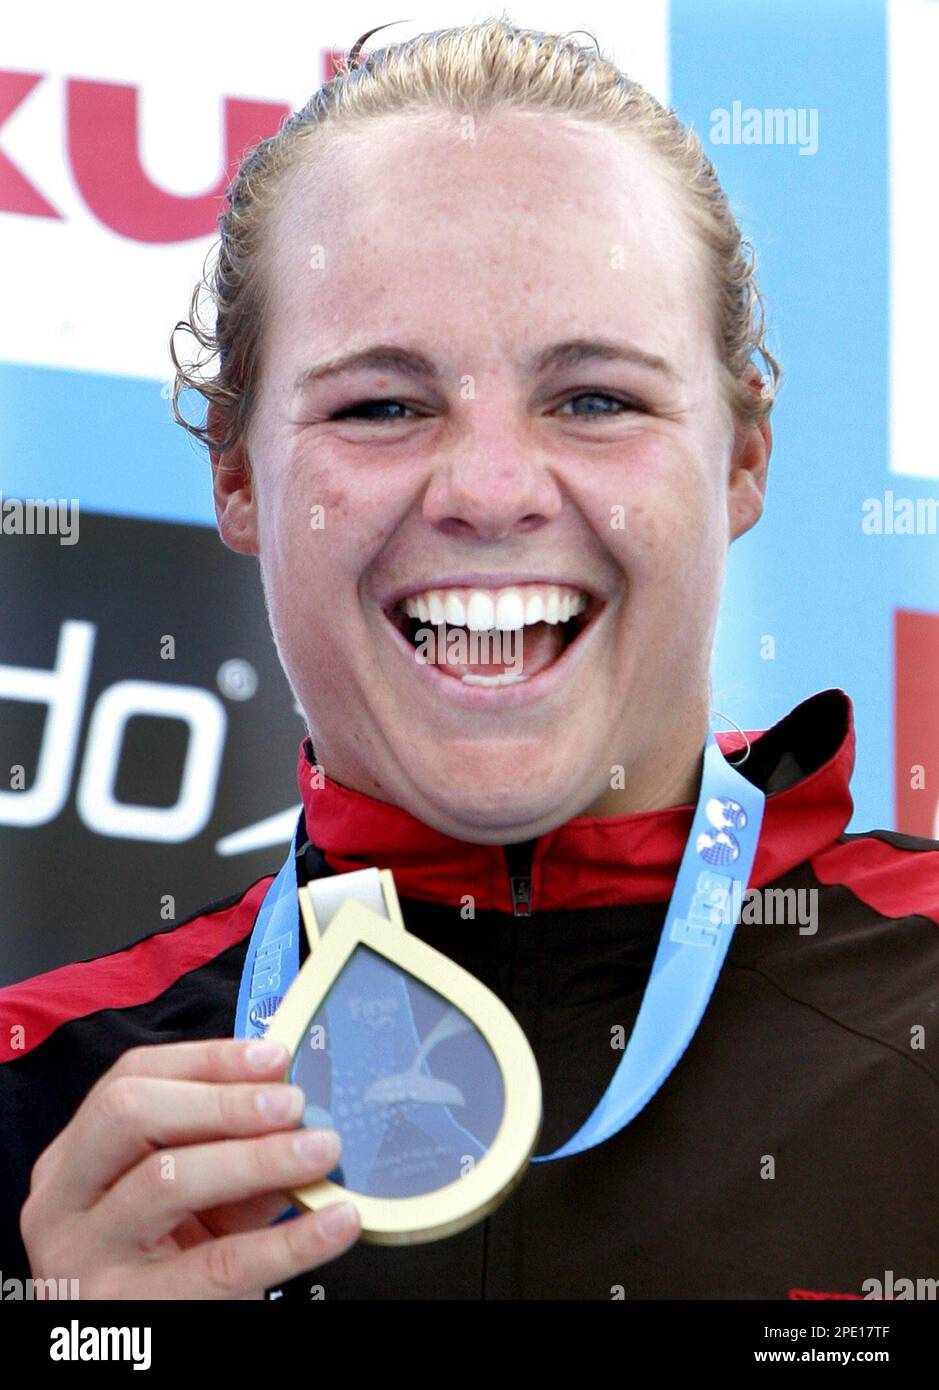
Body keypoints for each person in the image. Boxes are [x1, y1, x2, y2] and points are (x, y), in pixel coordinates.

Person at [2, 17, 937, 1302]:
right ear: (236, 475)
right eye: (381, 405)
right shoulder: (45, 1104)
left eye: (596, 399)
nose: (491, 490)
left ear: (740, 461)